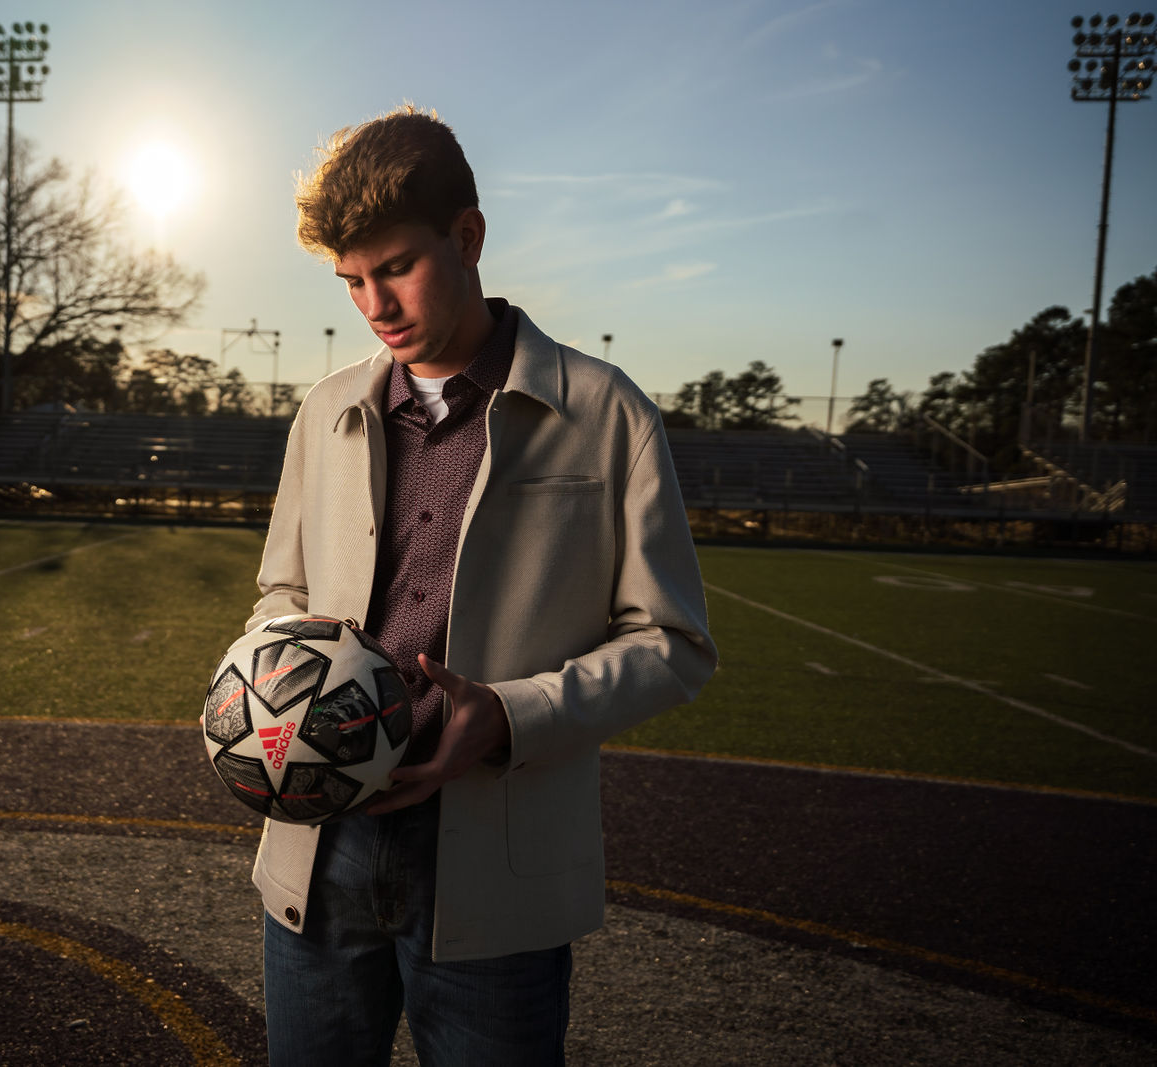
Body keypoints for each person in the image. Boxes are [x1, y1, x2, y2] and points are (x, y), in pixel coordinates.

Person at [244, 105, 717, 1066]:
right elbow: (277, 595)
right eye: (351, 280)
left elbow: (671, 644)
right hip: (319, 852)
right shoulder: (325, 409)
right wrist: (267, 683)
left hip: (496, 866)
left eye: (396, 268)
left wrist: (507, 714)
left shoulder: (606, 413)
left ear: (468, 237)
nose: (374, 304)